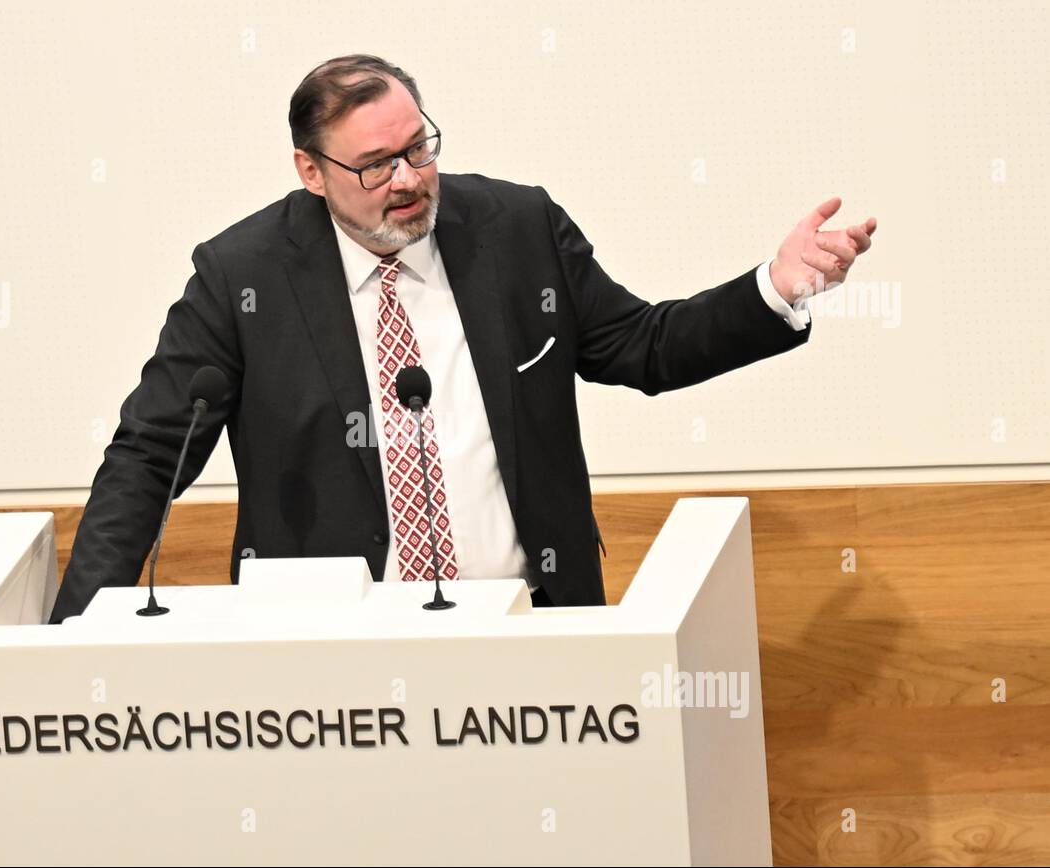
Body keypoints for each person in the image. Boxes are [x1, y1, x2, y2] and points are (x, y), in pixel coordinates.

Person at [48, 53, 876, 623]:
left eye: (418, 148)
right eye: (375, 165)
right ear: (312, 172)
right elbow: (152, 452)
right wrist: (74, 632)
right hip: (330, 659)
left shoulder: (516, 230)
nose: (407, 180)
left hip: (528, 629)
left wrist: (775, 287)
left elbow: (645, 345)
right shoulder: (242, 275)